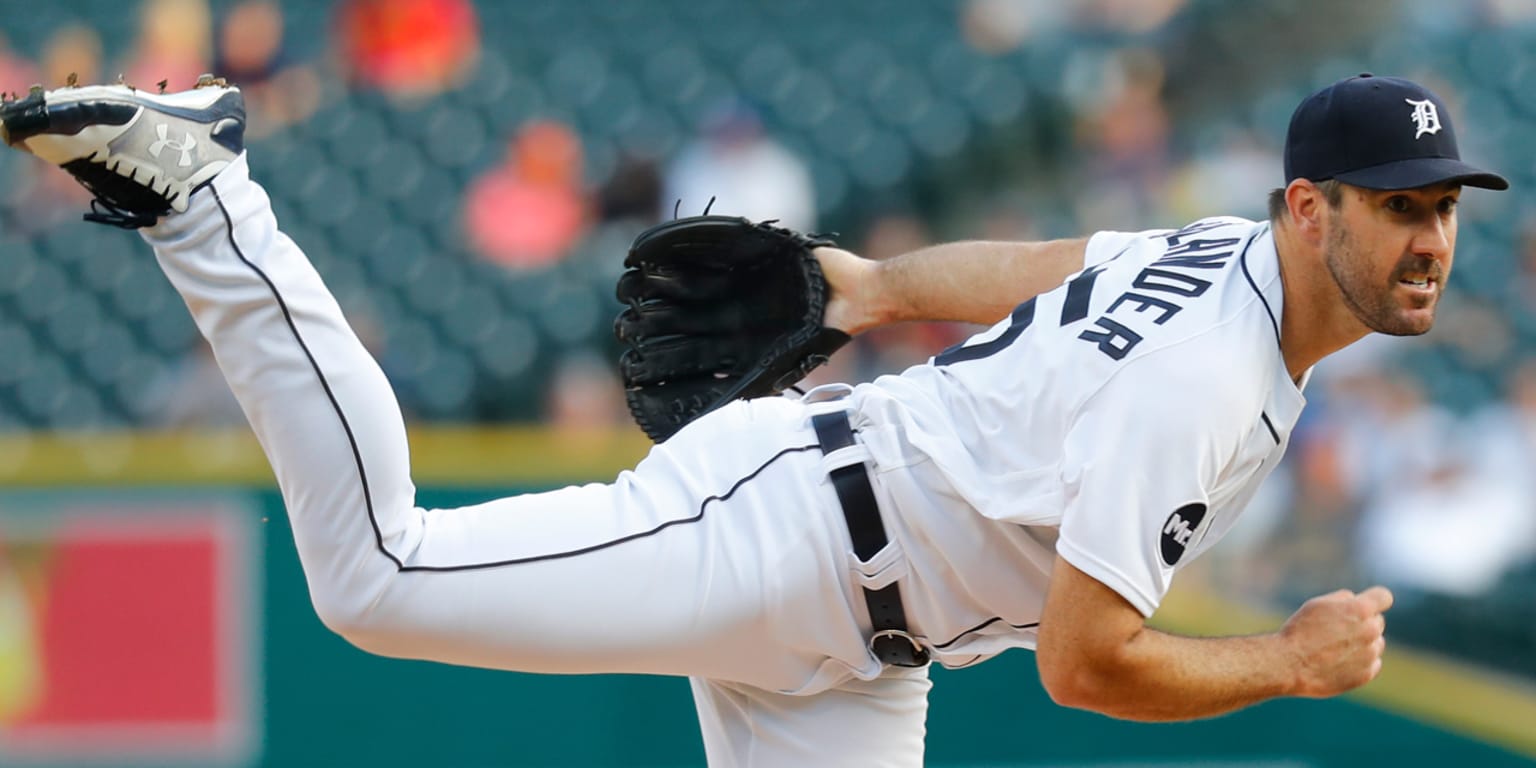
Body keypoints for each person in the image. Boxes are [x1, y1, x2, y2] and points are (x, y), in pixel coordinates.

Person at [0, 72, 1508, 765]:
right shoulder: (1213, 382)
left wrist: (864, 285)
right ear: (1310, 210)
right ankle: (212, 197)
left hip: (859, 656)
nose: (1429, 237)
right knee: (370, 581)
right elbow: (1084, 667)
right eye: (1398, 208)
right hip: (787, 531)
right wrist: (1294, 665)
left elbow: (1038, 267)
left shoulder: (1213, 252)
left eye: (1442, 208)